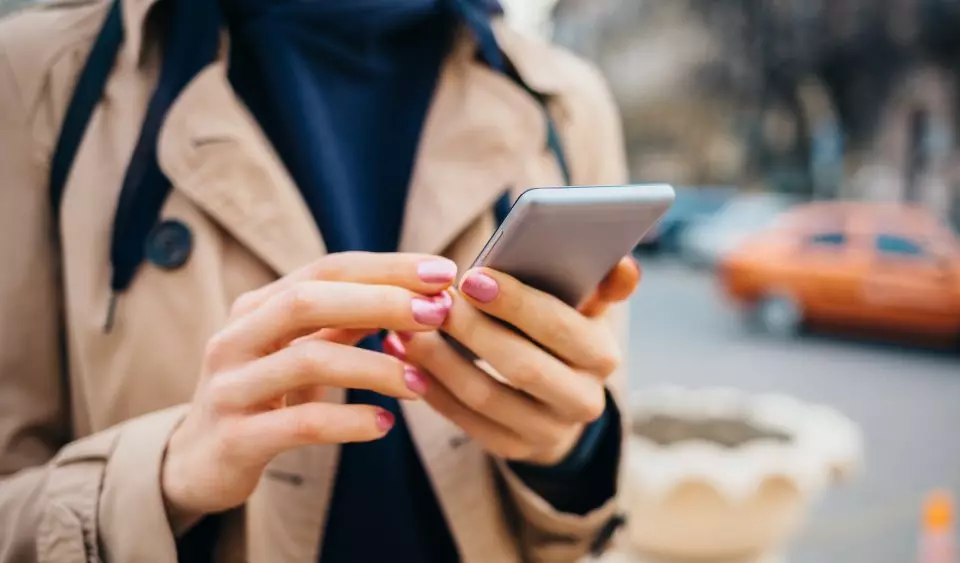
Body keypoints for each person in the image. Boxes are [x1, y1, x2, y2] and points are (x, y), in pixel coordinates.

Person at [0, 0, 638, 561]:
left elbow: (586, 529)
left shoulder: (563, 100)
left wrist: (572, 454)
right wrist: (164, 477)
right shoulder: (38, 75)